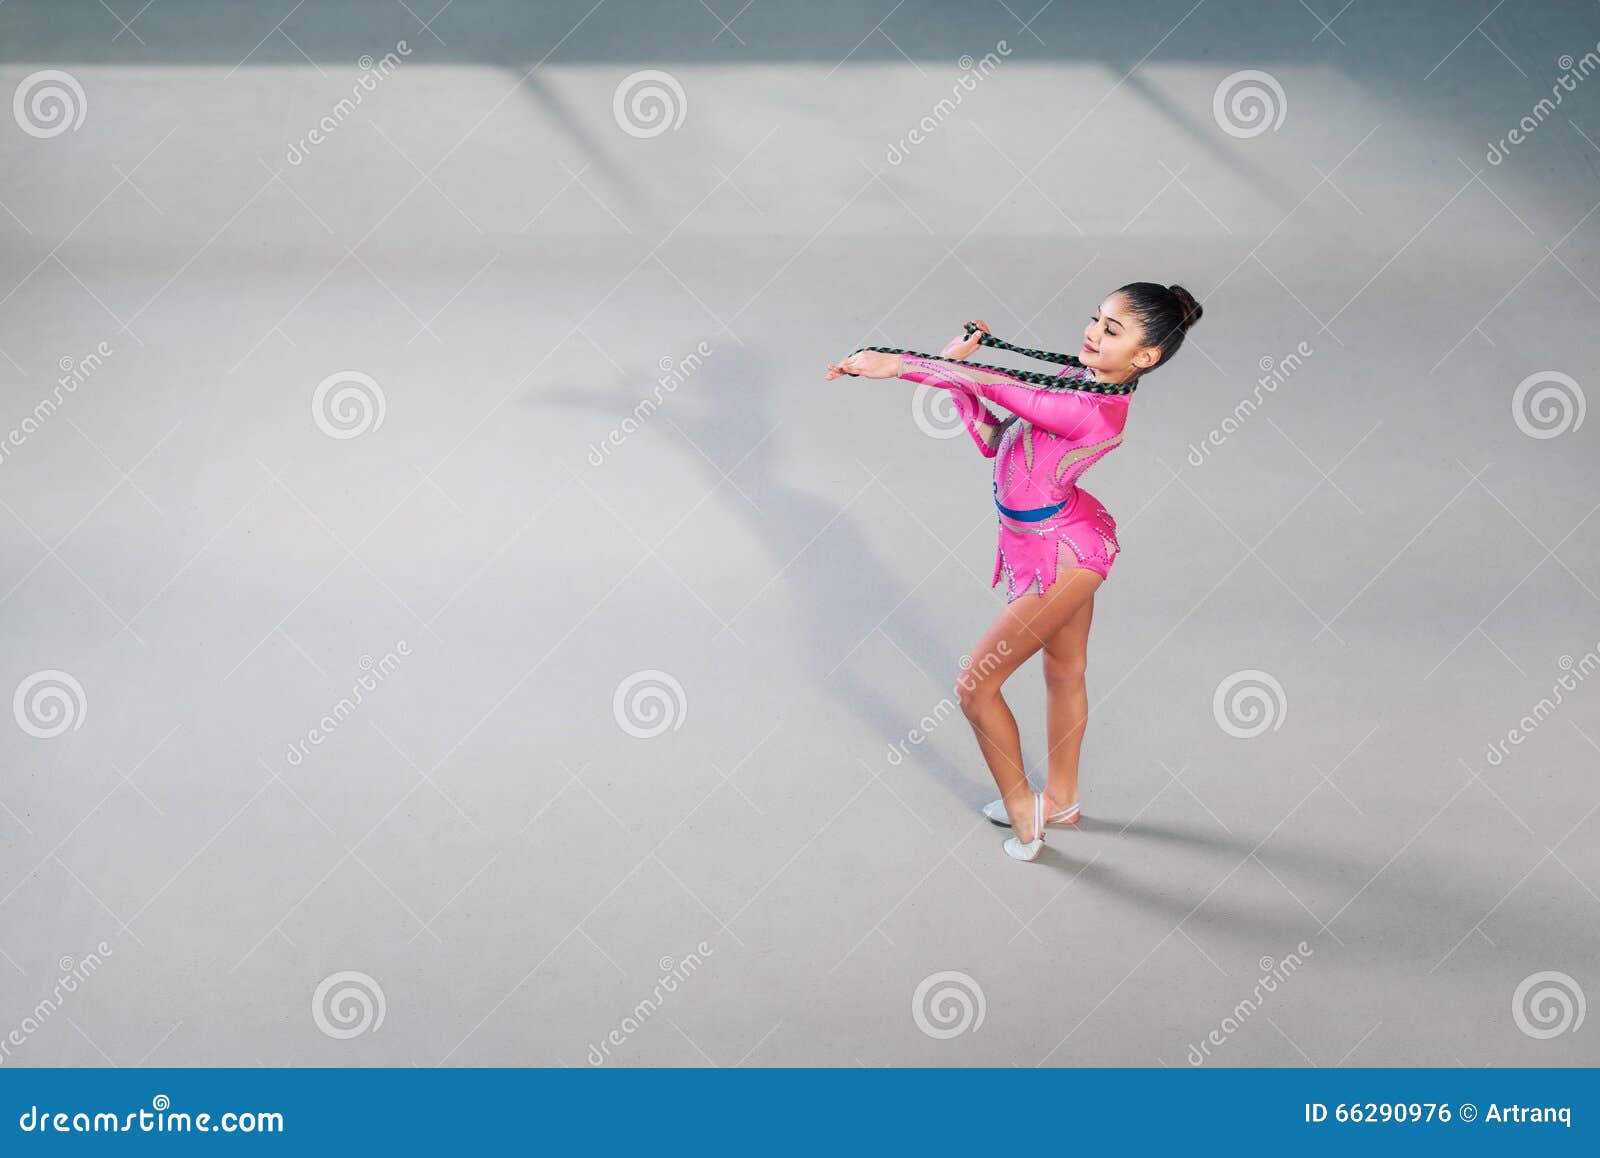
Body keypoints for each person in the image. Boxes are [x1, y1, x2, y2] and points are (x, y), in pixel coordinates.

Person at [824, 283, 1203, 861]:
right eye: (1095, 319)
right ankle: (1064, 800)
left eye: (1111, 330)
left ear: (1145, 356)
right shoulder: (1079, 382)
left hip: (1065, 553)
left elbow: (997, 385)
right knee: (1064, 671)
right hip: (1044, 541)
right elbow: (996, 441)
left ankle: (1027, 813)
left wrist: (901, 365)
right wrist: (950, 369)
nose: (1092, 333)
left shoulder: (1092, 410)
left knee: (975, 687)